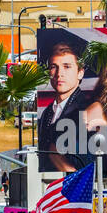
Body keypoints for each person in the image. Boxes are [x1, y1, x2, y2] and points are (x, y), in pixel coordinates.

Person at [36, 40, 99, 172]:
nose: (59, 74)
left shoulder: (87, 109)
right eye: (54, 66)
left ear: (80, 72)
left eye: (67, 66)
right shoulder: (47, 112)